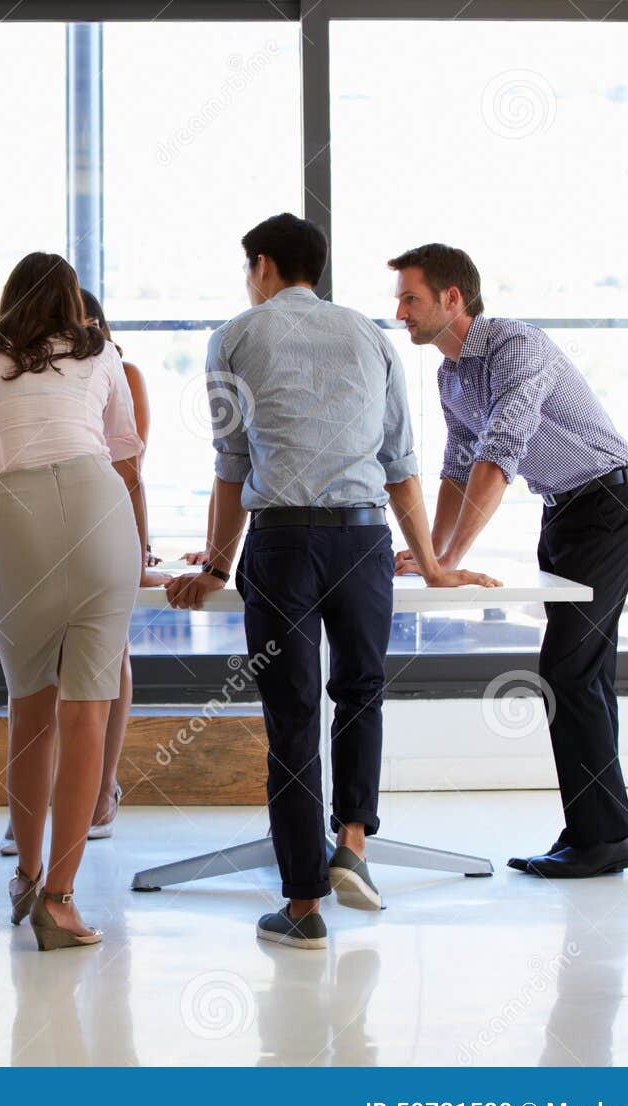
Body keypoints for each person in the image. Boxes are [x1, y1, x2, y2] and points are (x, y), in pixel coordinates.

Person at [165, 214, 496, 950]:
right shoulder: (372, 338)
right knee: (361, 690)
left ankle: (303, 906)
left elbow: (232, 465)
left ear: (263, 266)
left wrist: (216, 564)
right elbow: (400, 466)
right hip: (363, 537)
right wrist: (432, 564)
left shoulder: (234, 337)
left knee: (292, 717)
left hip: (283, 541)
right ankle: (352, 844)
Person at [0, 252, 164, 950]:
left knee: (29, 710)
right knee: (88, 712)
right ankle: (60, 900)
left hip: (13, 512)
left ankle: (25, 876)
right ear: (72, 302)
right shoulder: (101, 352)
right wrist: (140, 553)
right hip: (99, 509)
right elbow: (126, 463)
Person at [389, 243, 628, 879]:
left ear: (453, 298)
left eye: (410, 298)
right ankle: (599, 830)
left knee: (568, 673)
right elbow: (458, 467)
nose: (400, 313)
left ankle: (606, 837)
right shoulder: (451, 375)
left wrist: (447, 561)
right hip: (563, 511)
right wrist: (433, 557)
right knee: (587, 675)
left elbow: (498, 456)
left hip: (609, 506)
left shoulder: (515, 346)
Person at [0, 287, 150, 855]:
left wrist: (141, 548)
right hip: (49, 517)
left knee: (102, 662)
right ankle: (38, 830)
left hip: (98, 514)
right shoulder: (14, 367)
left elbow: (130, 466)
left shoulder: (115, 368)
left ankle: (100, 791)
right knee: (41, 680)